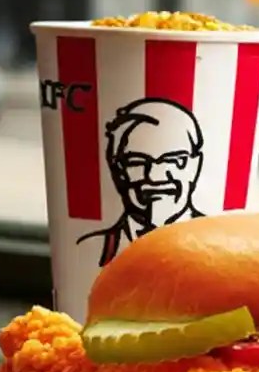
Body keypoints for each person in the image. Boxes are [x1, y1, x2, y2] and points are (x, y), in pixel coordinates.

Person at [78, 97, 207, 267]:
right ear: (117, 171)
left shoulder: (225, 246)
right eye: (136, 162)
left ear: (195, 166)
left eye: (173, 160)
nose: (154, 177)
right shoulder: (88, 250)